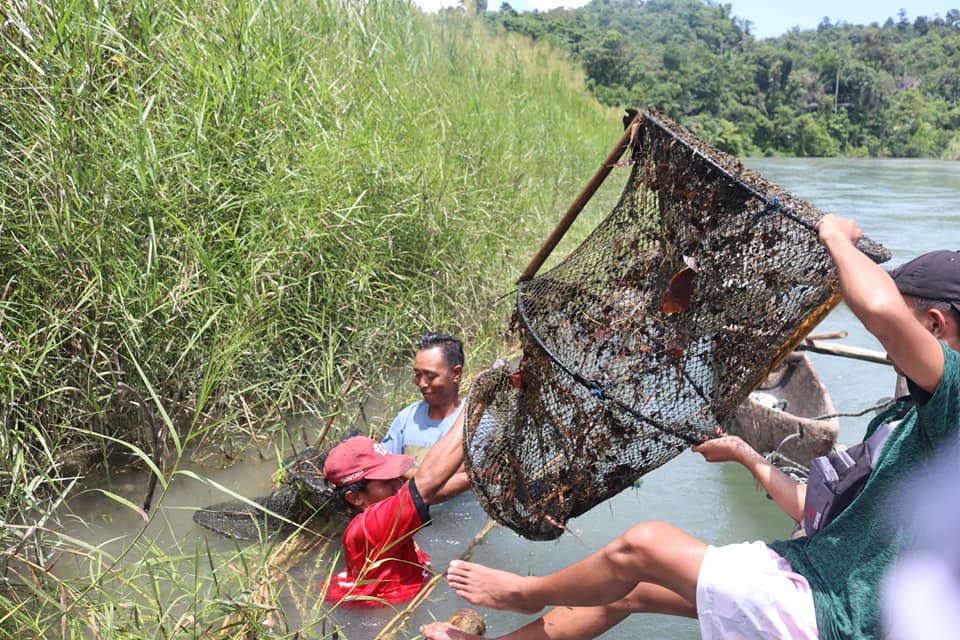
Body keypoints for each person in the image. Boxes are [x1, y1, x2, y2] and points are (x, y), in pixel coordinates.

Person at [421, 217, 960, 640]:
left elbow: (878, 308)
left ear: (934, 327)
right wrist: (747, 455)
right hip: (807, 572)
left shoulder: (954, 399)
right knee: (629, 588)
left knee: (644, 545)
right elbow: (818, 513)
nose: (893, 342)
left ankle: (526, 593)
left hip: (829, 614)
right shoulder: (909, 418)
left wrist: (837, 238)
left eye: (908, 323)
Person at [322, 411, 470, 607]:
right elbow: (428, 482)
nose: (399, 484)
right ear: (355, 497)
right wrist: (472, 409)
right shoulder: (369, 525)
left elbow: (432, 487)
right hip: (388, 609)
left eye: (397, 476)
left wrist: (481, 474)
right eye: (386, 481)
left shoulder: (378, 517)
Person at [381, 332, 467, 464]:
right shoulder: (406, 419)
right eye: (417, 375)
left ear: (456, 373)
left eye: (430, 376)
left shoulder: (476, 420)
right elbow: (384, 466)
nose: (422, 384)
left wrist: (406, 472)